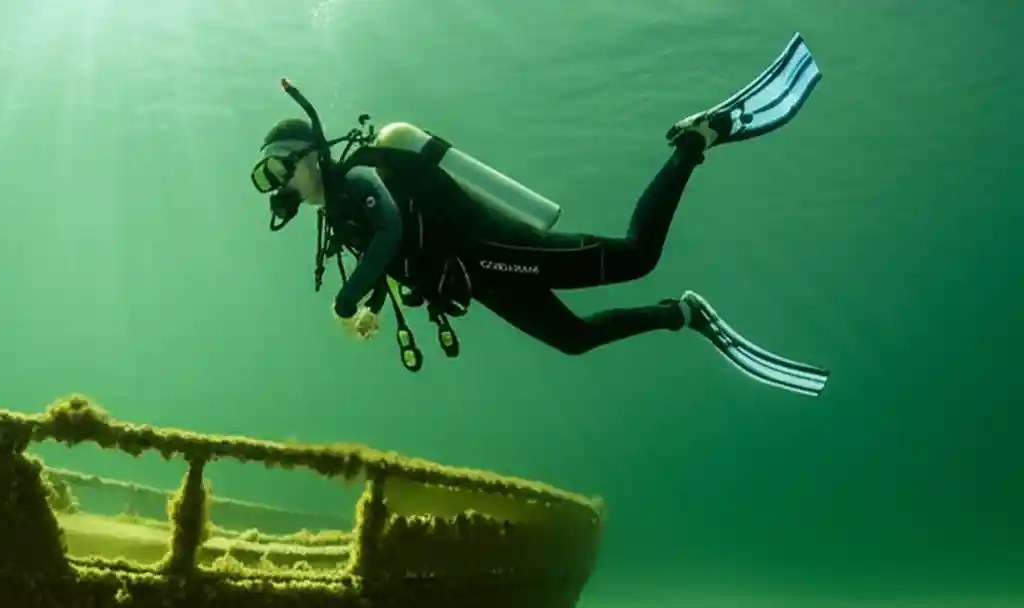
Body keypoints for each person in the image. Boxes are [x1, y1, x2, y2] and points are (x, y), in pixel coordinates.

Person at [250, 33, 830, 397]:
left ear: (310, 156)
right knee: (572, 340)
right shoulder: (343, 212)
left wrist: (349, 298)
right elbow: (395, 254)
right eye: (268, 179)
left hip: (497, 250)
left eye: (279, 170)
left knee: (636, 256)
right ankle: (679, 313)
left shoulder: (356, 178)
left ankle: (694, 142)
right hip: (480, 278)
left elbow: (394, 232)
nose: (277, 186)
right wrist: (374, 305)